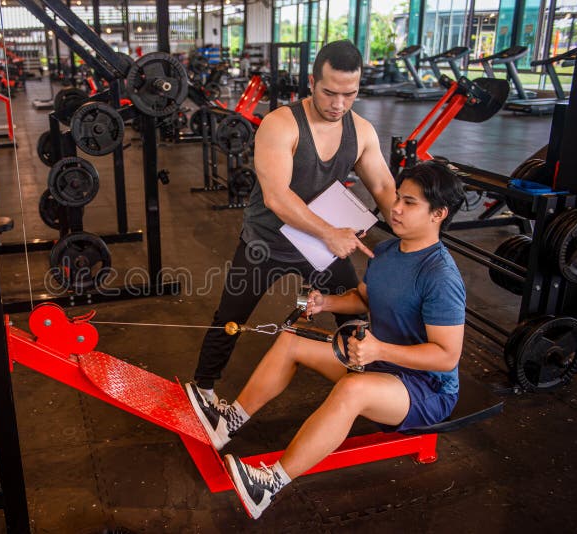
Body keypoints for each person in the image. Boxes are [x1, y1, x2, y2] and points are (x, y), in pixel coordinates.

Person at [185, 161, 467, 519]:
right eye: (398, 197)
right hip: (381, 364)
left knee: (353, 390)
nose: (395, 208)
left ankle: (268, 485)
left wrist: (379, 348)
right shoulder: (387, 252)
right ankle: (228, 423)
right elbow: (366, 298)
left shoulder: (440, 276)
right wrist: (327, 302)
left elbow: (446, 357)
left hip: (426, 388)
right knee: (292, 341)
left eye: (410, 203)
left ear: (438, 214)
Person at [191, 40, 396, 404]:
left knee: (355, 305)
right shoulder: (281, 124)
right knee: (231, 316)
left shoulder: (361, 131)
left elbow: (381, 184)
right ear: (312, 83)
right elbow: (277, 197)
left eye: (349, 94)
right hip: (266, 241)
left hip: (318, 246)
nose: (338, 104)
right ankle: (202, 387)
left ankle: (362, 383)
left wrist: (414, 233)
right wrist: (331, 234)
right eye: (329, 92)